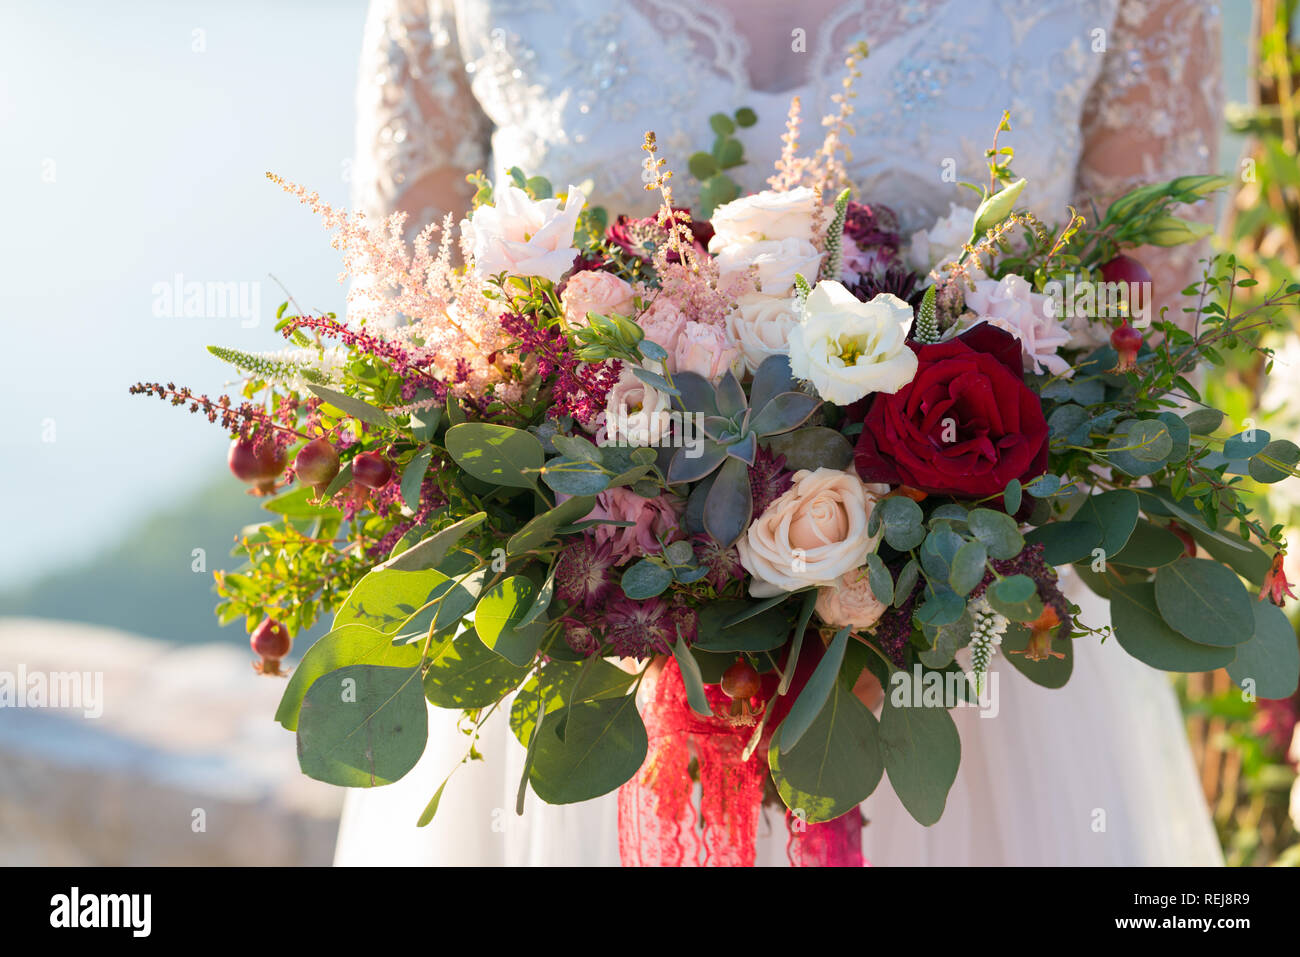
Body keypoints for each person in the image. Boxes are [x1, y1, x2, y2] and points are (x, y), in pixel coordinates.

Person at [333, 0, 1225, 866]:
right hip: (602, 664)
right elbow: (422, 350)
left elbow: (1143, 341)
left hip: (964, 662)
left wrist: (891, 579)